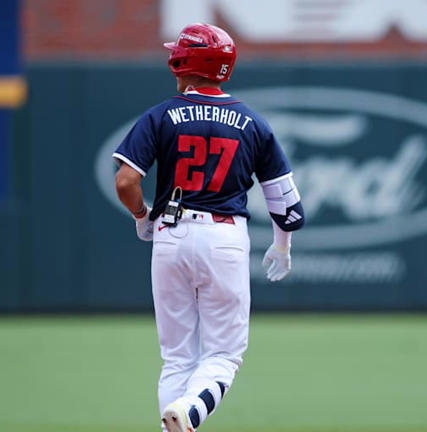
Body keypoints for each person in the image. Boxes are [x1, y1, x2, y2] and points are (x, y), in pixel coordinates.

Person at [112, 23, 305, 432]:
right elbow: (287, 205)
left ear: (184, 61)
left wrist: (143, 217)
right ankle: (190, 413)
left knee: (178, 358)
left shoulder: (162, 114)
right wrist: (282, 246)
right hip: (224, 237)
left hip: (171, 233)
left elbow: (126, 181)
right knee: (222, 357)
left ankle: (177, 420)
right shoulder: (252, 122)